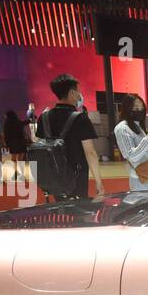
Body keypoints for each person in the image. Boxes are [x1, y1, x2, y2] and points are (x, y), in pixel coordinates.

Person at [38, 73, 104, 201]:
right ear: (73, 93)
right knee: (78, 211)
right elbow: (90, 153)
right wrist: (98, 182)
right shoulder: (80, 118)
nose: (80, 95)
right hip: (76, 176)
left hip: (54, 174)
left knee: (61, 209)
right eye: (79, 91)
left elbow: (41, 146)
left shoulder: (44, 117)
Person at [114, 94, 148, 193]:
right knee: (143, 205)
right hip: (140, 177)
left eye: (141, 107)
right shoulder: (122, 128)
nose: (140, 110)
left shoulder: (139, 127)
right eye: (136, 107)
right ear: (127, 108)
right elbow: (131, 156)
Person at [3, 110, 28, 181]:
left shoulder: (7, 123)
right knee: (20, 159)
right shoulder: (18, 121)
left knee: (13, 159)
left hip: (12, 143)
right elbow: (24, 124)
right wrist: (29, 120)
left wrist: (7, 144)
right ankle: (22, 174)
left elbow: (6, 134)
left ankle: (16, 173)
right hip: (21, 142)